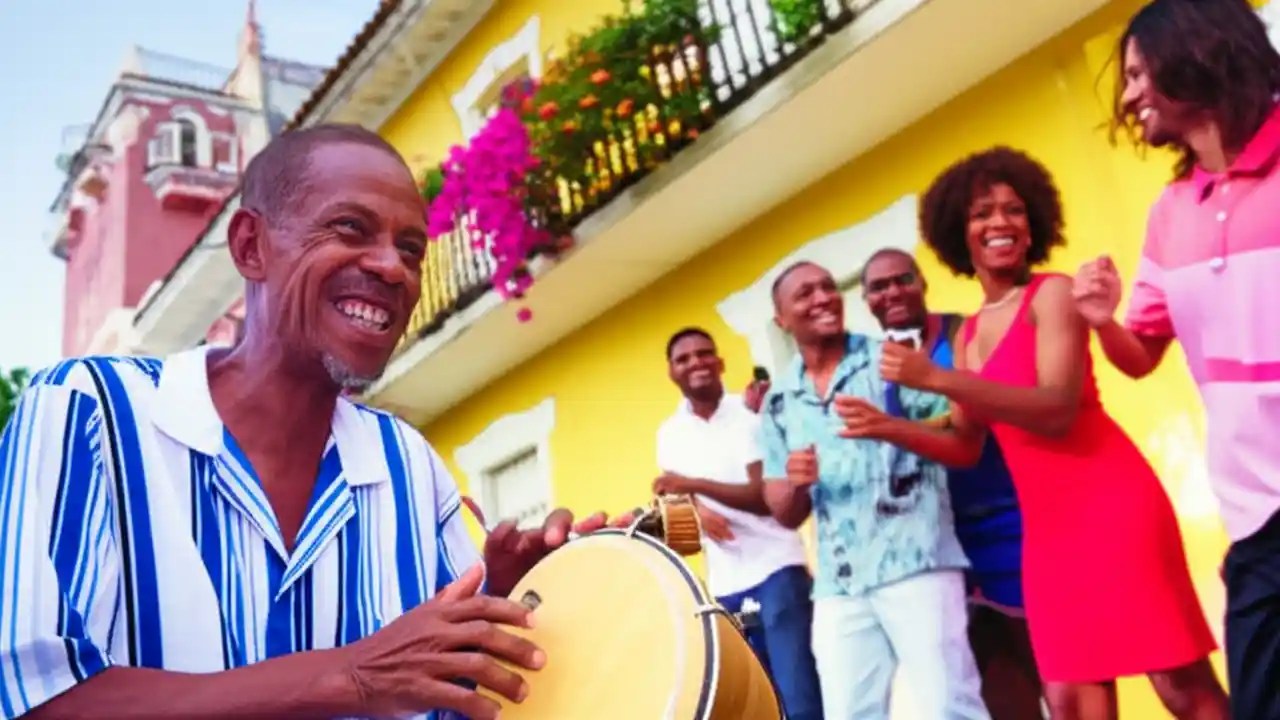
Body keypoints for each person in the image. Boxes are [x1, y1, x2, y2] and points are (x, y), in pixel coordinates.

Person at [0, 124, 618, 720]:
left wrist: (504, 603)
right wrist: (350, 677)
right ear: (250, 246)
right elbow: (36, 699)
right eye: (351, 228)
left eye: (410, 249)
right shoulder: (87, 412)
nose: (392, 268)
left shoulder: (408, 464)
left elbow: (437, 690)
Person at [836, 146, 1228, 719]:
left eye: (1014, 210)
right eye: (981, 214)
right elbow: (968, 446)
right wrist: (890, 428)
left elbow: (1055, 408)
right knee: (1072, 699)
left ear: (1034, 223)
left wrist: (939, 379)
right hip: (1045, 532)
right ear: (958, 234)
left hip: (1112, 505)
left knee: (1177, 683)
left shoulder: (1054, 294)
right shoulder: (968, 334)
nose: (1000, 223)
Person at [1074, 1, 1280, 716]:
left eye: (1137, 73)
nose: (1128, 95)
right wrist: (1103, 323)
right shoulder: (1171, 211)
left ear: (1195, 52)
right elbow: (1140, 356)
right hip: (1255, 518)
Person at [759, 260, 990, 720]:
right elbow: (783, 509)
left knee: (950, 707)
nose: (823, 297)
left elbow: (965, 442)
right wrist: (797, 484)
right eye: (805, 294)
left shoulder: (891, 361)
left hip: (916, 560)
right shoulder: (779, 401)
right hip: (839, 584)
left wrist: (890, 427)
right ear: (782, 319)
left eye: (828, 286)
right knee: (848, 713)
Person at [859, 248, 1043, 720]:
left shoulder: (965, 334)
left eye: (903, 279)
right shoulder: (872, 369)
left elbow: (985, 416)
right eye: (879, 287)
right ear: (865, 300)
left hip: (1009, 522)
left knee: (1053, 674)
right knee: (994, 689)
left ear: (923, 282)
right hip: (941, 549)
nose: (892, 292)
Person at [652, 327, 822, 720]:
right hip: (725, 585)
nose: (696, 362)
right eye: (684, 358)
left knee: (802, 702)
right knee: (763, 705)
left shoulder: (748, 418)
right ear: (672, 372)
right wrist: (694, 505)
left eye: (704, 354)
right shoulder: (669, 433)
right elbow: (670, 492)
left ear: (720, 362)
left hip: (777, 570)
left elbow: (766, 499)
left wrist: (690, 484)